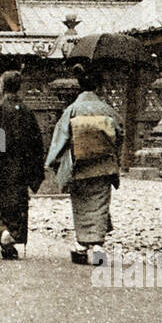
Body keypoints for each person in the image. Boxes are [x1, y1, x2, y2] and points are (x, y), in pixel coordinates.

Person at [45, 64, 123, 265]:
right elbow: (119, 134)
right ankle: (97, 245)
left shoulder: (72, 110)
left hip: (79, 164)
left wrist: (53, 162)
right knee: (99, 204)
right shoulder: (107, 110)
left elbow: (60, 137)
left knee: (81, 205)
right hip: (103, 165)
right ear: (98, 87)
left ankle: (81, 245)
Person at [0, 70, 46, 260]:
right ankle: (11, 237)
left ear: (1, 86)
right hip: (20, 169)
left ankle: (1, 233)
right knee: (16, 207)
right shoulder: (27, 113)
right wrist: (35, 172)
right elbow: (36, 145)